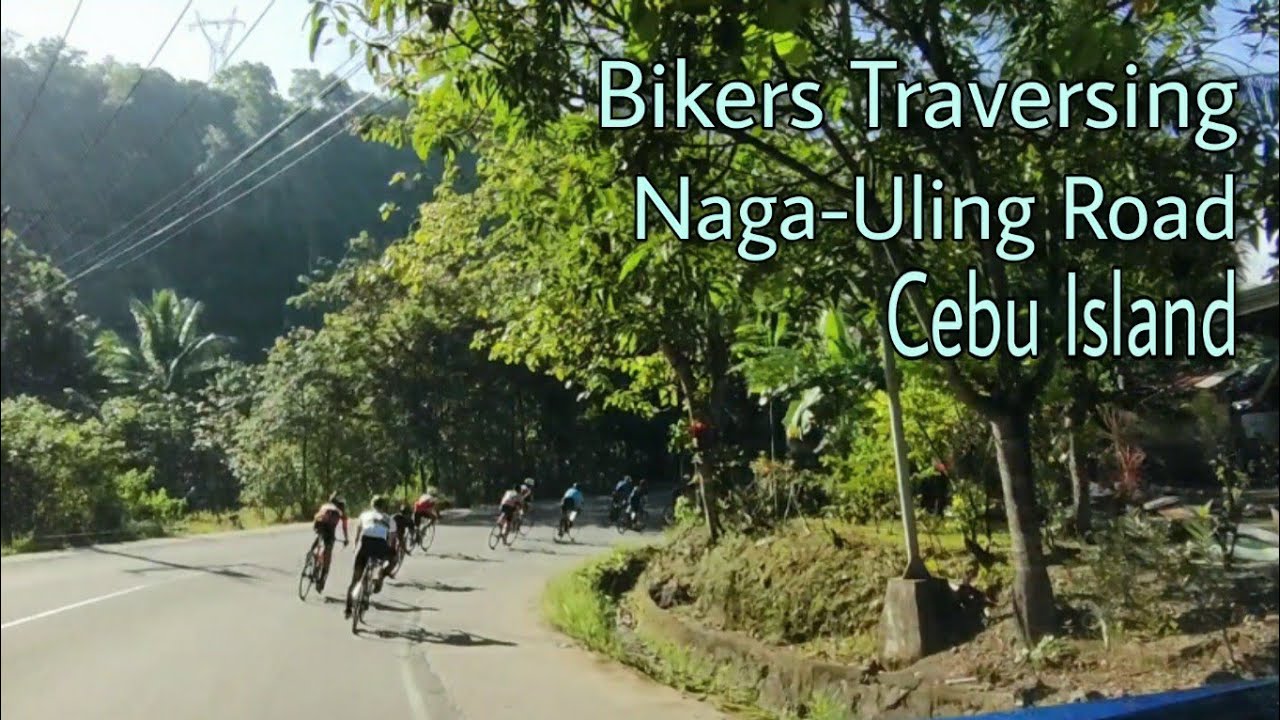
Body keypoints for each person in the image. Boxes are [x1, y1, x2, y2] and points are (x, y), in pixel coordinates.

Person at [344, 495, 397, 619]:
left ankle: (347, 609)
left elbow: (358, 535)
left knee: (355, 579)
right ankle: (380, 576)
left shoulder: (364, 515)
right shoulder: (390, 520)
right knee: (393, 559)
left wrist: (355, 548)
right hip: (380, 545)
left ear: (372, 505)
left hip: (365, 544)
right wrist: (387, 553)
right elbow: (391, 540)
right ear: (384, 507)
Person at [311, 493, 349, 591]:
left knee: (320, 538)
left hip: (318, 525)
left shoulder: (325, 505)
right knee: (328, 554)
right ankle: (322, 580)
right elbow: (344, 527)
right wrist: (346, 539)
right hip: (329, 529)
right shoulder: (340, 511)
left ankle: (312, 555)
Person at [387, 504, 412, 579]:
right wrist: (406, 550)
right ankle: (386, 573)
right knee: (395, 559)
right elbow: (400, 538)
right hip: (392, 538)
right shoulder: (404, 521)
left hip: (384, 536)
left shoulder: (394, 516)